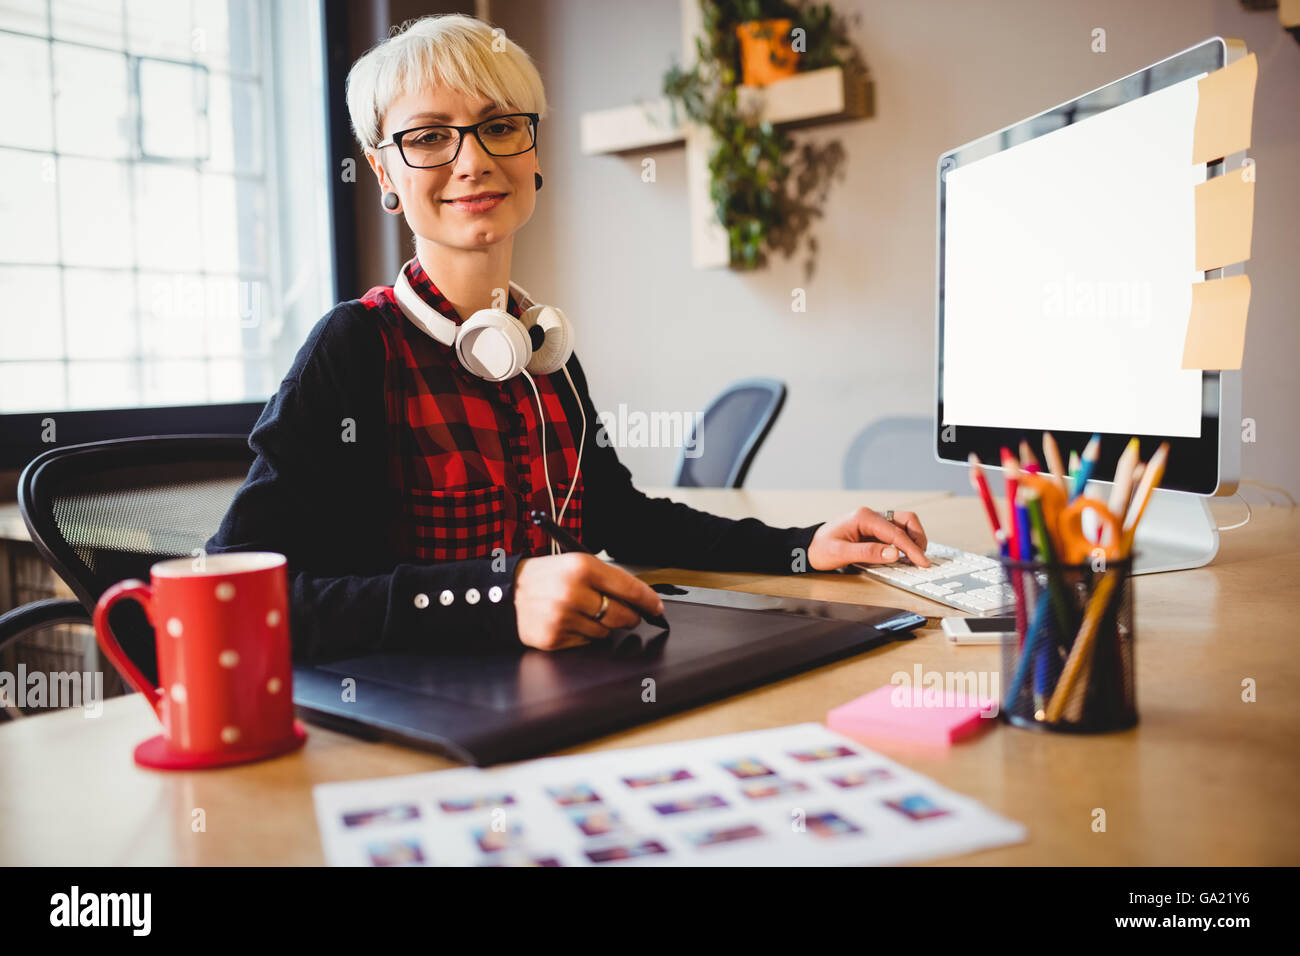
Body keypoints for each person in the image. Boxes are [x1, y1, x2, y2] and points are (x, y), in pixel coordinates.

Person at [205, 13, 930, 662]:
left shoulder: (542, 348)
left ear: (533, 152)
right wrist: (496, 596)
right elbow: (232, 596)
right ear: (382, 170)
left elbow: (624, 519)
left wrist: (803, 545)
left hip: (564, 687)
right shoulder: (356, 348)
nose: (472, 161)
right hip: (424, 714)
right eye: (427, 137)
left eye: (499, 126)